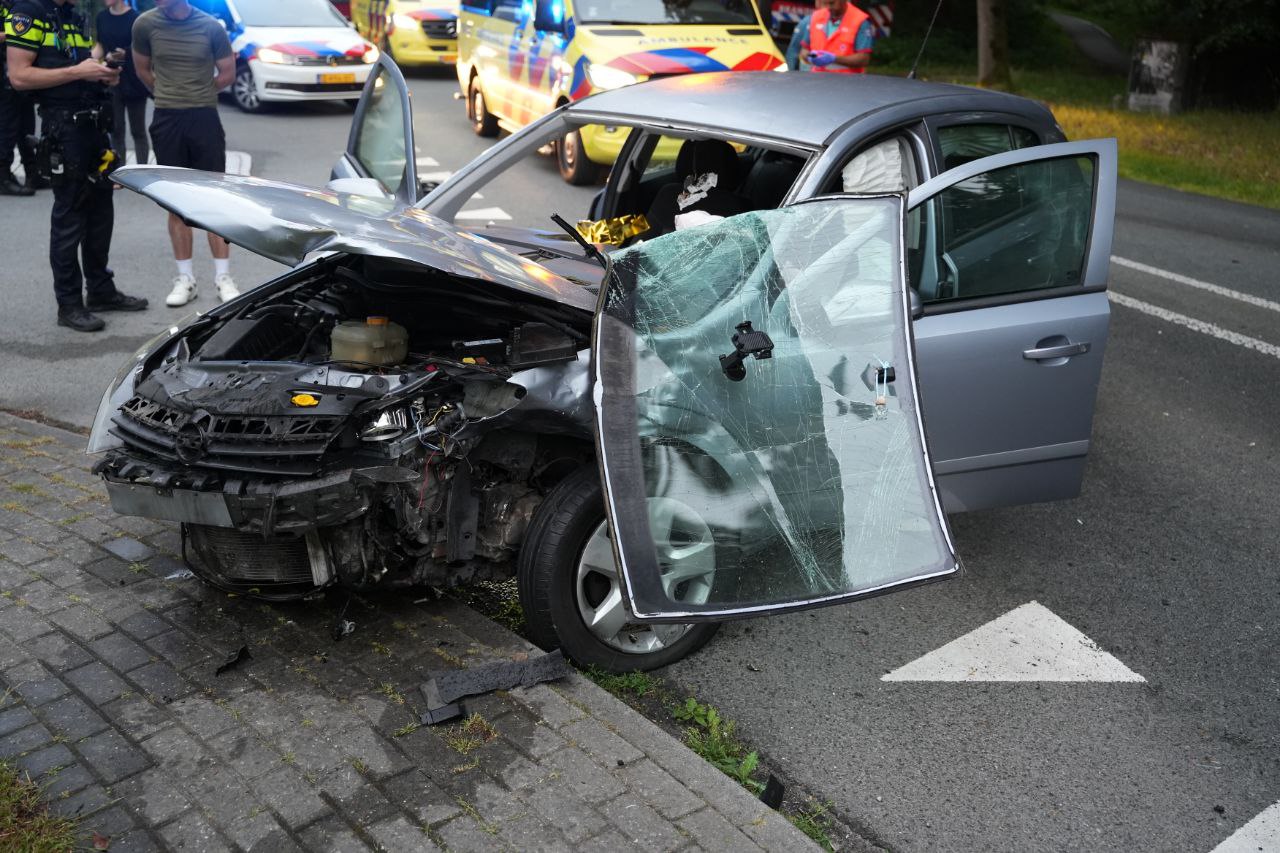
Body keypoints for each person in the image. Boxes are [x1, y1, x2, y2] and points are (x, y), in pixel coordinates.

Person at [5, 0, 150, 332]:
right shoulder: (29, 12)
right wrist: (79, 72)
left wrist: (102, 75)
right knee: (70, 217)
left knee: (101, 213)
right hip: (64, 130)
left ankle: (100, 290)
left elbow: (79, 67)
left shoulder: (73, 15)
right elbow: (19, 76)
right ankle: (69, 304)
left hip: (94, 127)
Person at [132, 0, 238, 308]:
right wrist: (169, 93)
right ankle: (185, 279)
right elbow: (142, 70)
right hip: (167, 117)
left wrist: (198, 93)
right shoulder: (145, 24)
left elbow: (227, 73)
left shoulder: (210, 27)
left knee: (214, 198)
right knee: (175, 202)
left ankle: (223, 277)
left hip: (204, 117)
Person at [93, 0, 148, 166]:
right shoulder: (101, 17)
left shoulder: (137, 18)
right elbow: (100, 46)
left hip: (134, 81)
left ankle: (142, 172)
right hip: (111, 80)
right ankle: (120, 171)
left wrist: (125, 53)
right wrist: (86, 60)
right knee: (116, 130)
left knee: (138, 131)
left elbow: (144, 48)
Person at [0, 0, 41, 194]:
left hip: (18, 69)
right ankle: (3, 177)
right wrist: (15, 35)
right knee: (7, 127)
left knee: (26, 124)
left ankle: (33, 173)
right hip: (4, 71)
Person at [800, 0, 876, 75]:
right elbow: (804, 50)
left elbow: (863, 59)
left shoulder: (860, 20)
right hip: (817, 78)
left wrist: (834, 59)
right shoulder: (816, 17)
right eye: (825, 3)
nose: (828, 7)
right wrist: (811, 56)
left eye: (832, 3)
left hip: (847, 79)